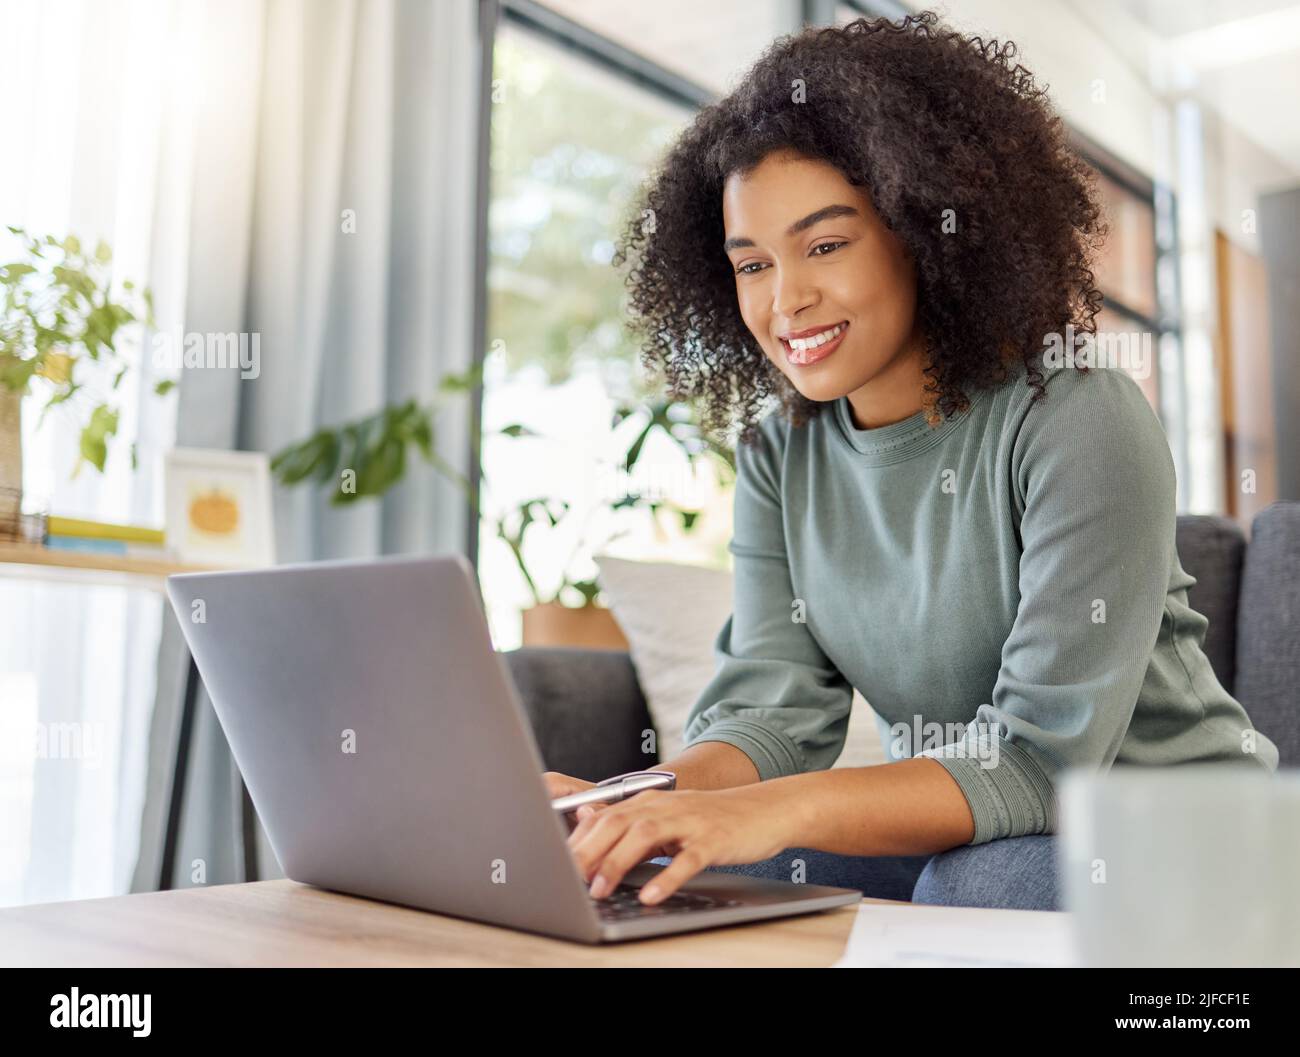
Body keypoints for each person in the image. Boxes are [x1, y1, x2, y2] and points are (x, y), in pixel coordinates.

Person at [543, 11, 1279, 911]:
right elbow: (768, 716)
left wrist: (770, 813)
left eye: (825, 245)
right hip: (983, 833)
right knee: (698, 872)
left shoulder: (1078, 414)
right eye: (751, 265)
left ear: (925, 232)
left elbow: (1041, 762)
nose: (786, 300)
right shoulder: (782, 454)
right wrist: (626, 807)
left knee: (986, 879)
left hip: (1182, 830)